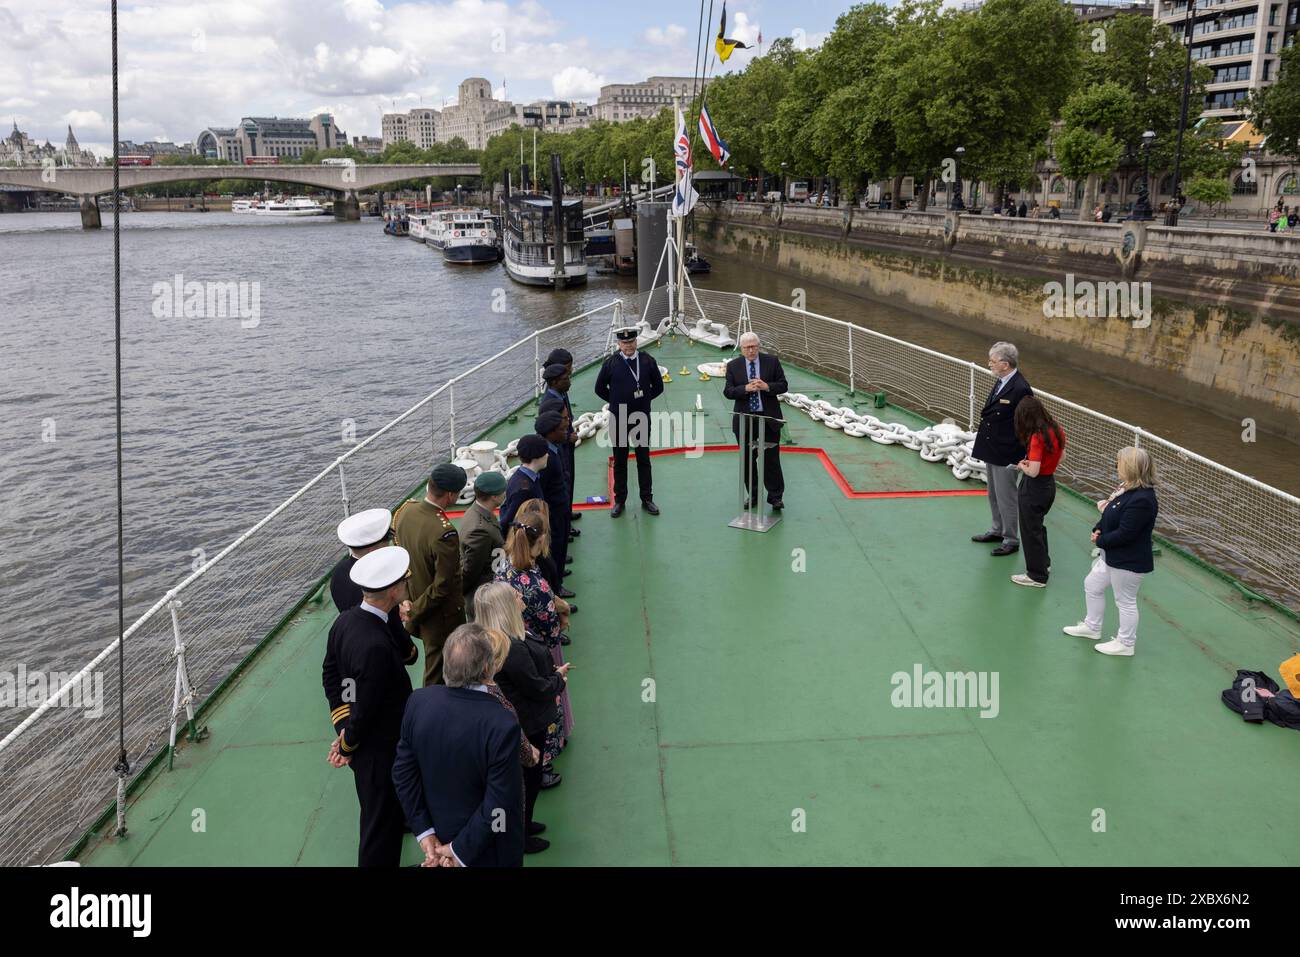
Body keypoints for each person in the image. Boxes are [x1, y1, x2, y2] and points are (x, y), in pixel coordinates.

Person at [391, 623, 525, 867]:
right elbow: (499, 802)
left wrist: (425, 832)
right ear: (487, 668)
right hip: (489, 849)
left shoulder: (418, 702)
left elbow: (403, 773)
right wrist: (457, 851)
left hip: (438, 834)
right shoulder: (502, 724)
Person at [322, 545, 414, 867]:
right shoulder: (375, 644)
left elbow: (331, 676)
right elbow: (367, 707)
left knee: (383, 819)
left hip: (366, 744)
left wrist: (342, 728)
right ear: (391, 591)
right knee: (379, 833)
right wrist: (347, 742)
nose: (406, 584)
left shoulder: (346, 621)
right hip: (379, 752)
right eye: (403, 581)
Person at [475, 583, 568, 853]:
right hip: (526, 723)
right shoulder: (511, 647)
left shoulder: (496, 637)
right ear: (504, 608)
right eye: (513, 595)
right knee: (527, 780)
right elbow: (537, 687)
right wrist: (558, 679)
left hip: (518, 720)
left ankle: (524, 825)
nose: (519, 595)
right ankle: (521, 835)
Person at [495, 503, 570, 788]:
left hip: (509, 644)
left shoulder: (503, 566)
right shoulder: (535, 585)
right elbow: (551, 628)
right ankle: (543, 762)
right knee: (546, 702)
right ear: (541, 540)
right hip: (536, 650)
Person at [1062, 447, 1159, 657]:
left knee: (1125, 601)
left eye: (1120, 464)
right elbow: (1111, 514)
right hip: (1112, 557)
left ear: (1131, 468)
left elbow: (1127, 533)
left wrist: (1100, 540)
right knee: (1092, 585)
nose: (1117, 468)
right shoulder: (1127, 489)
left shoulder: (1142, 500)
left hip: (1128, 561)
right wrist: (1098, 528)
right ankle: (1092, 627)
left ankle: (1126, 643)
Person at [393, 462, 467, 687]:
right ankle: (430, 716)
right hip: (441, 616)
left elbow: (402, 559)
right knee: (437, 673)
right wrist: (414, 610)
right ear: (451, 495)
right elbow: (443, 585)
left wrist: (407, 602)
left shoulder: (405, 511)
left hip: (415, 602)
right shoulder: (444, 532)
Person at [477, 623, 545, 850]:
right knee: (507, 808)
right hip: (501, 769)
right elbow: (512, 727)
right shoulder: (497, 698)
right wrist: (531, 754)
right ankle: (516, 840)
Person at [330, 507, 418, 666]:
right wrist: (410, 650)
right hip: (381, 658)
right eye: (387, 539)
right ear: (372, 549)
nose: (390, 543)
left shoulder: (338, 574)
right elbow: (407, 653)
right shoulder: (379, 586)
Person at [971, 342, 1033, 556]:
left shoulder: (1021, 388)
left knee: (1006, 496)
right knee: (993, 494)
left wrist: (1021, 456)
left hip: (1007, 452)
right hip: (992, 448)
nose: (989, 364)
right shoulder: (1002, 382)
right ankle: (997, 530)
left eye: (993, 361)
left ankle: (1011, 539)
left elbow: (1027, 425)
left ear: (1005, 364)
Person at [595, 326, 664, 517]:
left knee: (643, 458)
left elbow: (658, 386)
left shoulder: (647, 361)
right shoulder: (611, 364)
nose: (629, 345)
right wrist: (616, 401)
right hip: (619, 418)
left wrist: (644, 400)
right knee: (620, 460)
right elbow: (599, 388)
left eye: (632, 342)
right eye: (624, 343)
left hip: (641, 417)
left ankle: (647, 498)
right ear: (619, 344)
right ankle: (620, 500)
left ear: (636, 341)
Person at [723, 332, 788, 510]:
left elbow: (783, 385)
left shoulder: (772, 362)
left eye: (754, 346)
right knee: (747, 460)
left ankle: (775, 497)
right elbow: (728, 392)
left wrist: (767, 386)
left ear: (758, 346)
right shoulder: (733, 366)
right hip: (745, 420)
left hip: (768, 419)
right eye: (747, 347)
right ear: (741, 348)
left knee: (771, 460)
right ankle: (753, 495)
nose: (751, 350)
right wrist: (745, 388)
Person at [1010, 397, 1066, 588]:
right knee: (1038, 526)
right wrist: (1043, 466)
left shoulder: (1037, 437)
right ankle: (1044, 563)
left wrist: (1022, 466)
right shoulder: (1057, 430)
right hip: (1049, 485)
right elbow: (1062, 456)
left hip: (1033, 488)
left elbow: (1033, 472)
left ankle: (1036, 575)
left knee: (1029, 530)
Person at [535, 408, 575, 600]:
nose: (565, 430)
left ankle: (558, 576)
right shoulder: (547, 459)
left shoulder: (555, 448)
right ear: (550, 433)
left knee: (560, 549)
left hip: (562, 508)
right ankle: (556, 589)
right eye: (561, 429)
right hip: (554, 514)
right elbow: (543, 490)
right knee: (555, 550)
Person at [539, 354, 580, 533]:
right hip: (560, 448)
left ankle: (567, 514)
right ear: (555, 382)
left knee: (568, 481)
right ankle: (562, 526)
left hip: (566, 447)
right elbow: (548, 430)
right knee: (561, 485)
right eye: (566, 379)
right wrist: (566, 437)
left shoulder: (561, 394)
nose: (569, 381)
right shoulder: (550, 402)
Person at [459, 471, 506, 615]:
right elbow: (470, 572)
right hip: (484, 600)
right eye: (503, 491)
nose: (505, 494)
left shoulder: (476, 511)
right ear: (494, 497)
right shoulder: (480, 530)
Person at [499, 433, 548, 535]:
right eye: (545, 453)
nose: (548, 455)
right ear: (537, 457)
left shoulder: (524, 476)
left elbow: (504, 506)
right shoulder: (524, 490)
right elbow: (508, 520)